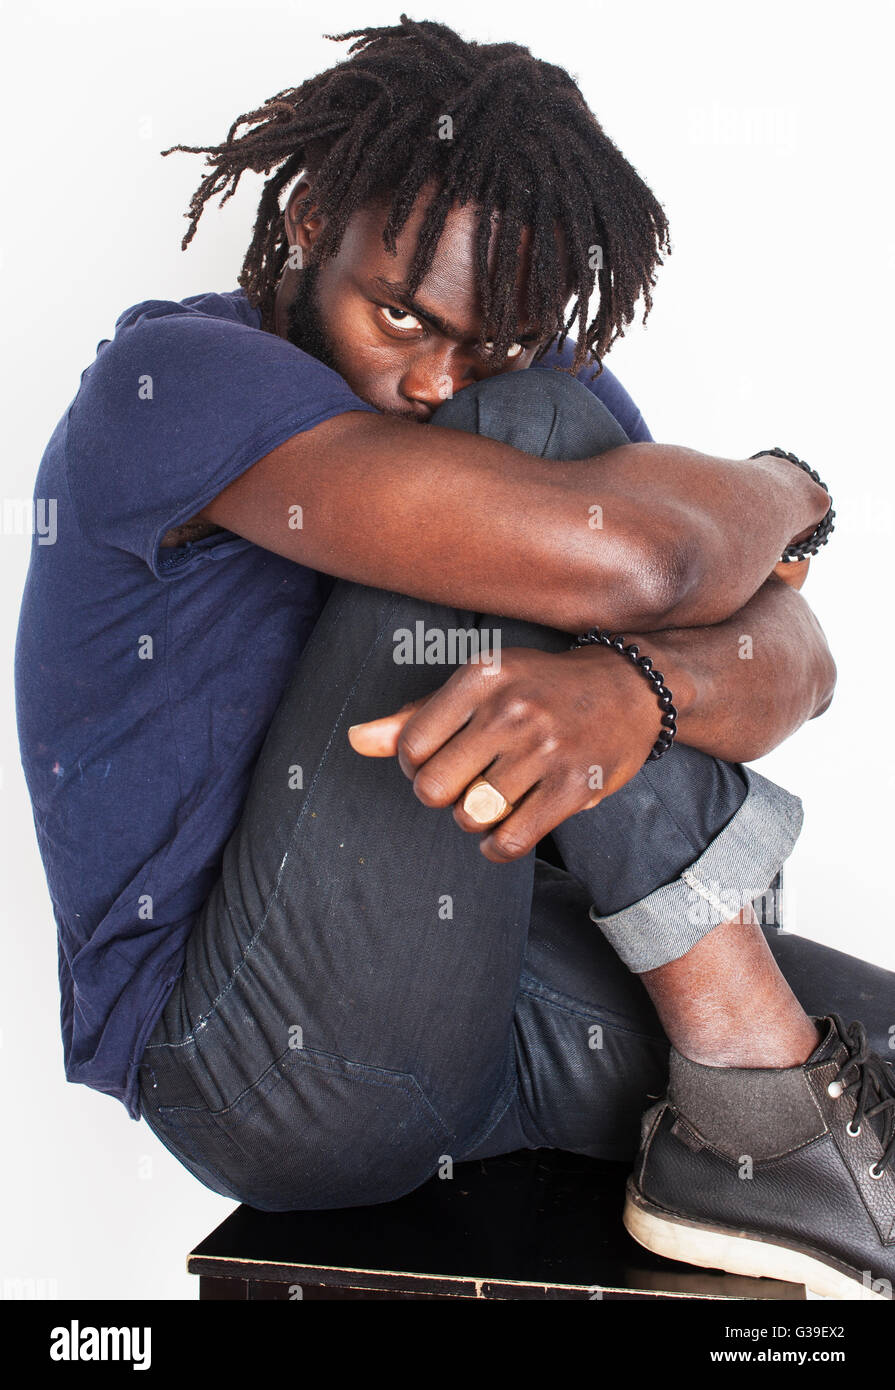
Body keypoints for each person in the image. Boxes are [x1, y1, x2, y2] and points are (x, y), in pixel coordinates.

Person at [15, 17, 894, 1299]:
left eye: (486, 343)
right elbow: (653, 565)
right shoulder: (174, 384)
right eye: (403, 316)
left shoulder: (522, 378)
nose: (438, 378)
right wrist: (783, 481)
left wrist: (630, 688)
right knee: (542, 442)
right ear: (311, 216)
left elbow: (793, 659)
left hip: (490, 992)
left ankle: (746, 1109)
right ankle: (753, 1086)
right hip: (264, 1058)